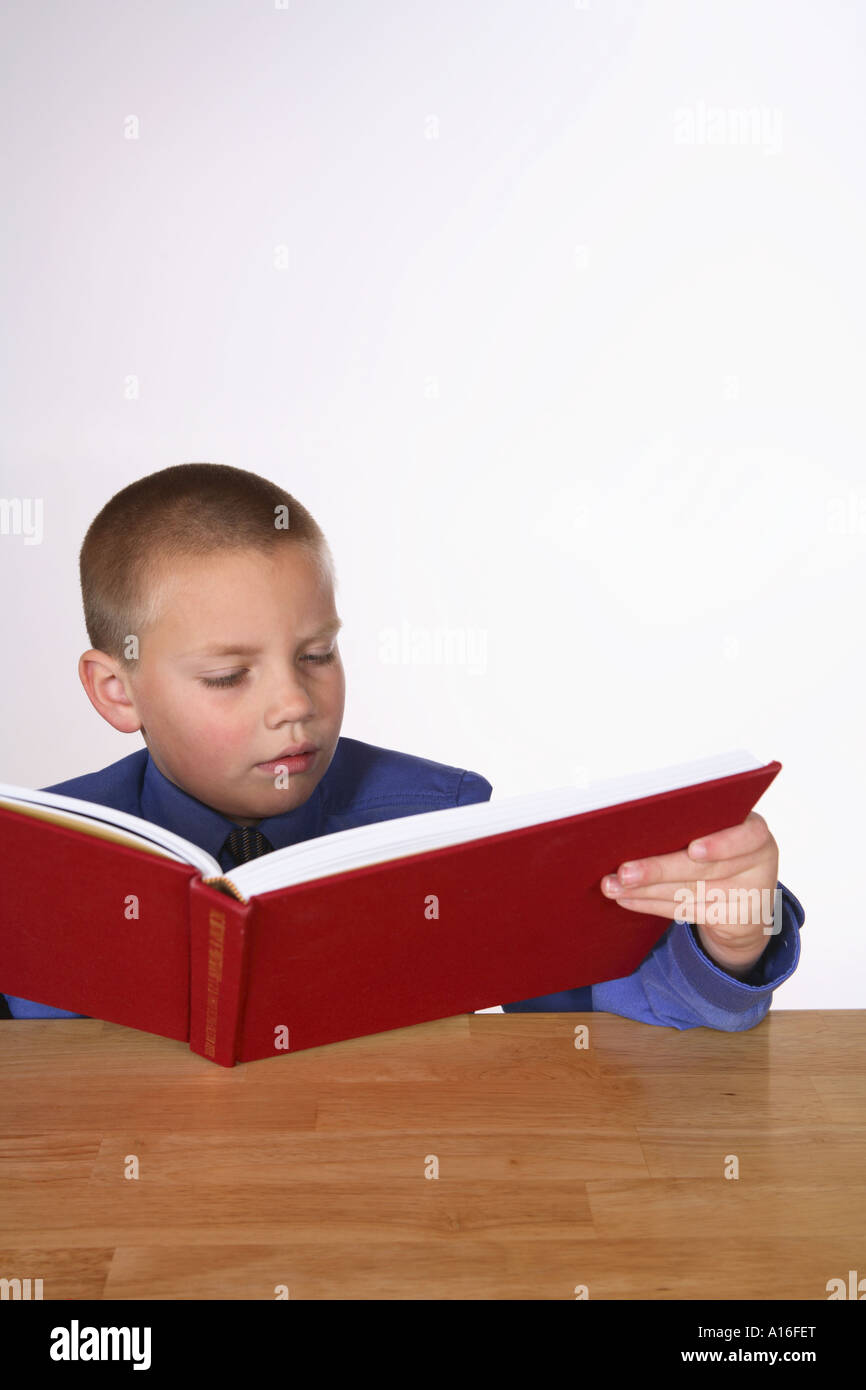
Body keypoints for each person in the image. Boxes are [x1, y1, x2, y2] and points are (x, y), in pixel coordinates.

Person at [1, 462, 804, 1027]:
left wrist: (729, 940)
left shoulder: (442, 821)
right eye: (227, 675)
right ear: (118, 690)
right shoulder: (33, 857)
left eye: (317, 655)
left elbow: (597, 1019)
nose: (295, 703)